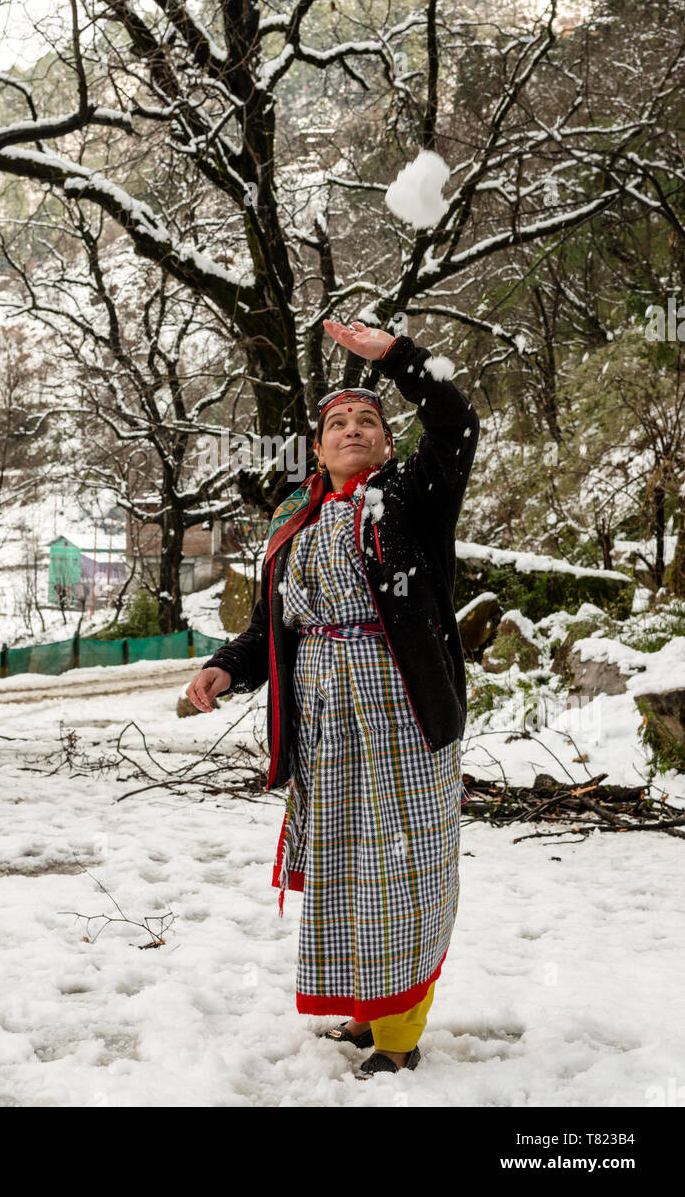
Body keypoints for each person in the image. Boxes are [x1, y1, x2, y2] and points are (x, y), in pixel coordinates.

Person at [186, 318, 480, 1078]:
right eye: (336, 424)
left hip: (400, 716)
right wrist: (225, 668)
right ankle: (366, 1007)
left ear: (385, 444)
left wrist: (398, 360)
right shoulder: (295, 522)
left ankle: (398, 1035)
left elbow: (454, 423)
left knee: (402, 868)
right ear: (316, 449)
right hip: (324, 726)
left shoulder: (410, 499)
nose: (352, 429)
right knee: (349, 866)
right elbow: (268, 630)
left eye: (367, 421)